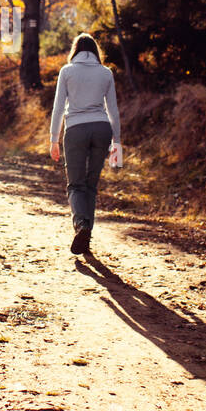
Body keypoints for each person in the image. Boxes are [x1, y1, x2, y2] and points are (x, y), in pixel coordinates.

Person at [48, 32, 121, 255]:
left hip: (76, 129)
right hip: (101, 129)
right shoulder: (106, 73)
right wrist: (117, 142)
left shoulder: (67, 71)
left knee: (75, 184)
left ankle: (81, 225)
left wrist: (54, 139)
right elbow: (113, 110)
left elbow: (58, 108)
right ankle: (86, 234)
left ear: (75, 50)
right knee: (90, 185)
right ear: (95, 51)